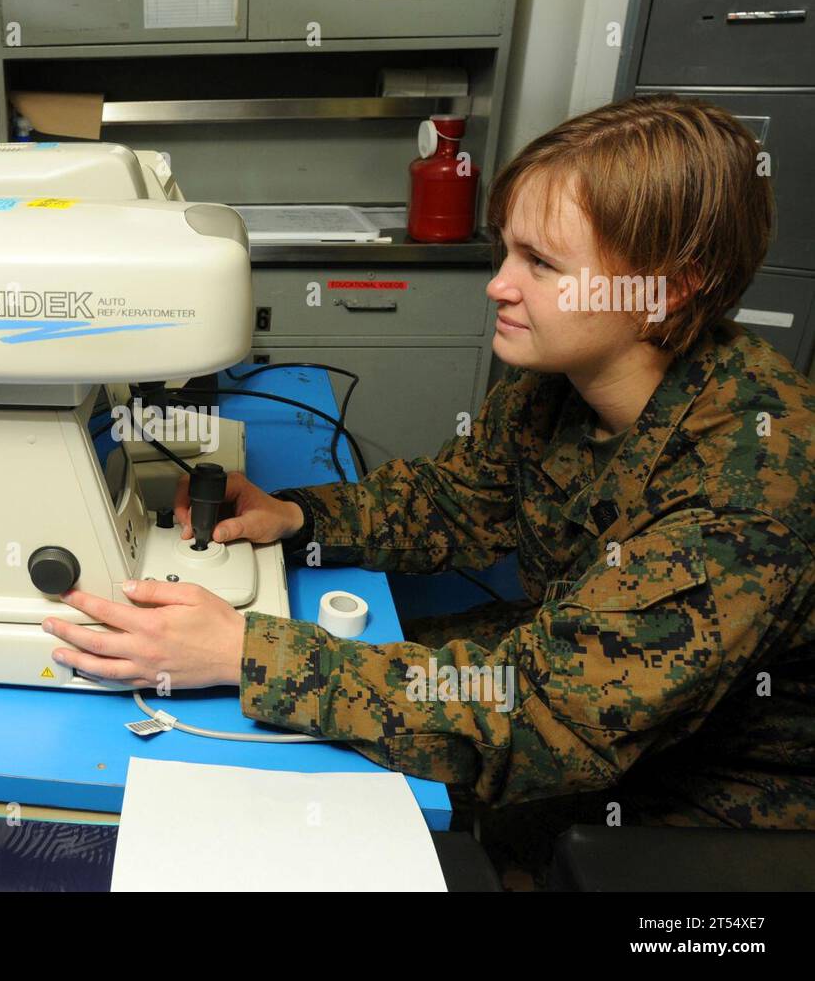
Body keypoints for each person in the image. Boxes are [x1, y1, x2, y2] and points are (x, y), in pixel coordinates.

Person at [42, 95, 815, 884]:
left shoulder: (749, 484)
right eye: (505, 250)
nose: (499, 286)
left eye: (542, 265)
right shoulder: (565, 375)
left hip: (703, 801)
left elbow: (547, 717)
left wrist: (247, 654)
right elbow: (458, 500)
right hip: (577, 687)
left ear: (665, 290)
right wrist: (299, 516)